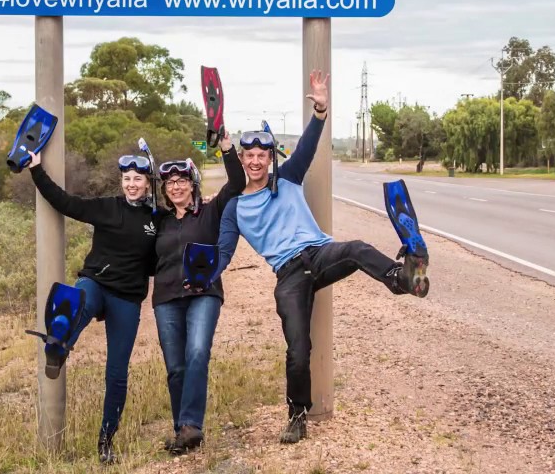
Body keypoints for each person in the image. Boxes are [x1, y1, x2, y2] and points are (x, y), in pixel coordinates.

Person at [210, 70, 430, 445]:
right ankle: (297, 416)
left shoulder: (289, 177)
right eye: (250, 155)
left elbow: (308, 146)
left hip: (319, 253)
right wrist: (202, 270)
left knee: (358, 248)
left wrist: (321, 110)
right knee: (298, 349)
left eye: (263, 155)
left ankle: (401, 278)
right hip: (288, 276)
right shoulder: (234, 208)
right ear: (243, 159)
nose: (257, 161)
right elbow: (223, 254)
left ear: (270, 158)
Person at [25, 148, 161, 464]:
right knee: (78, 298)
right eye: (126, 179)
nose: (131, 184)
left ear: (147, 182)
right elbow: (65, 202)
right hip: (97, 283)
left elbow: (163, 255)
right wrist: (36, 170)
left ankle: (105, 440)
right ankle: (58, 346)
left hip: (127, 298)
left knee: (116, 373)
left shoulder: (157, 219)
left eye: (137, 179)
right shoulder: (107, 208)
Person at [150, 132, 245, 455]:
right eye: (170, 183)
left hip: (204, 293)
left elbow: (236, 183)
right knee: (175, 367)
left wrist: (227, 148)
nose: (175, 187)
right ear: (164, 190)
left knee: (197, 353)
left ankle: (191, 424)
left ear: (193, 184)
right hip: (166, 298)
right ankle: (182, 433)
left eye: (181, 181)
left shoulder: (210, 211)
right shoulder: (160, 222)